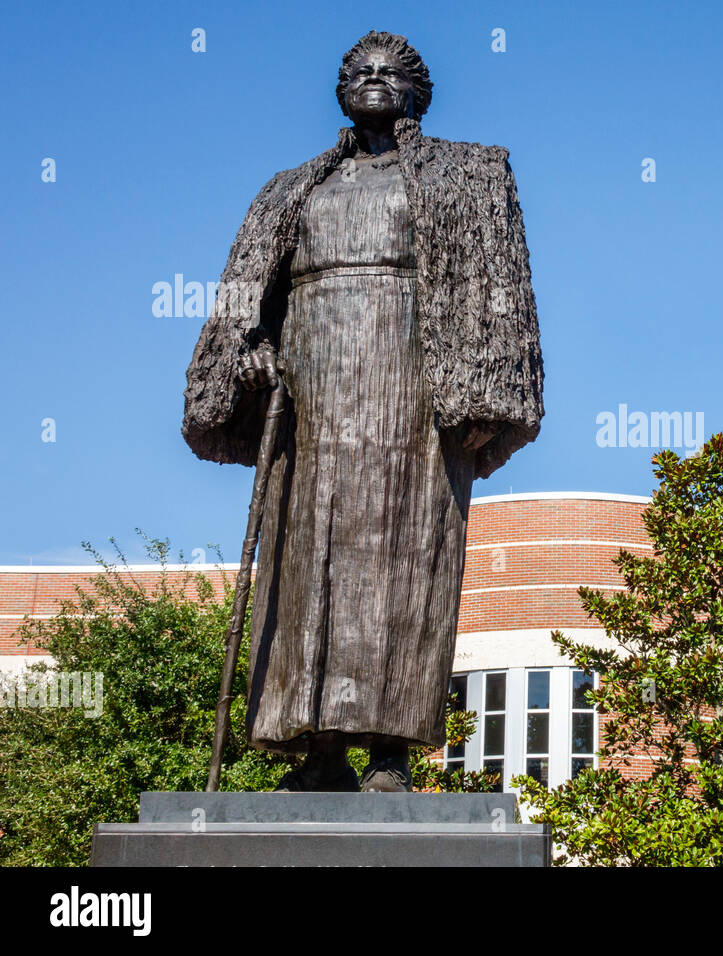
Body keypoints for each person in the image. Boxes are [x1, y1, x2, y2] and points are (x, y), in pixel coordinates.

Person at [181, 31, 543, 791]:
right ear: (341, 90)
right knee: (306, 556)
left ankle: (389, 750)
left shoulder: (464, 176)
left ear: (417, 92)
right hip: (311, 386)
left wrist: (485, 394)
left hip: (411, 381)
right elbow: (248, 296)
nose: (373, 81)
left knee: (406, 556)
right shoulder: (292, 188)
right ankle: (317, 752)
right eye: (359, 72)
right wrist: (249, 349)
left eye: (391, 74)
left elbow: (497, 284)